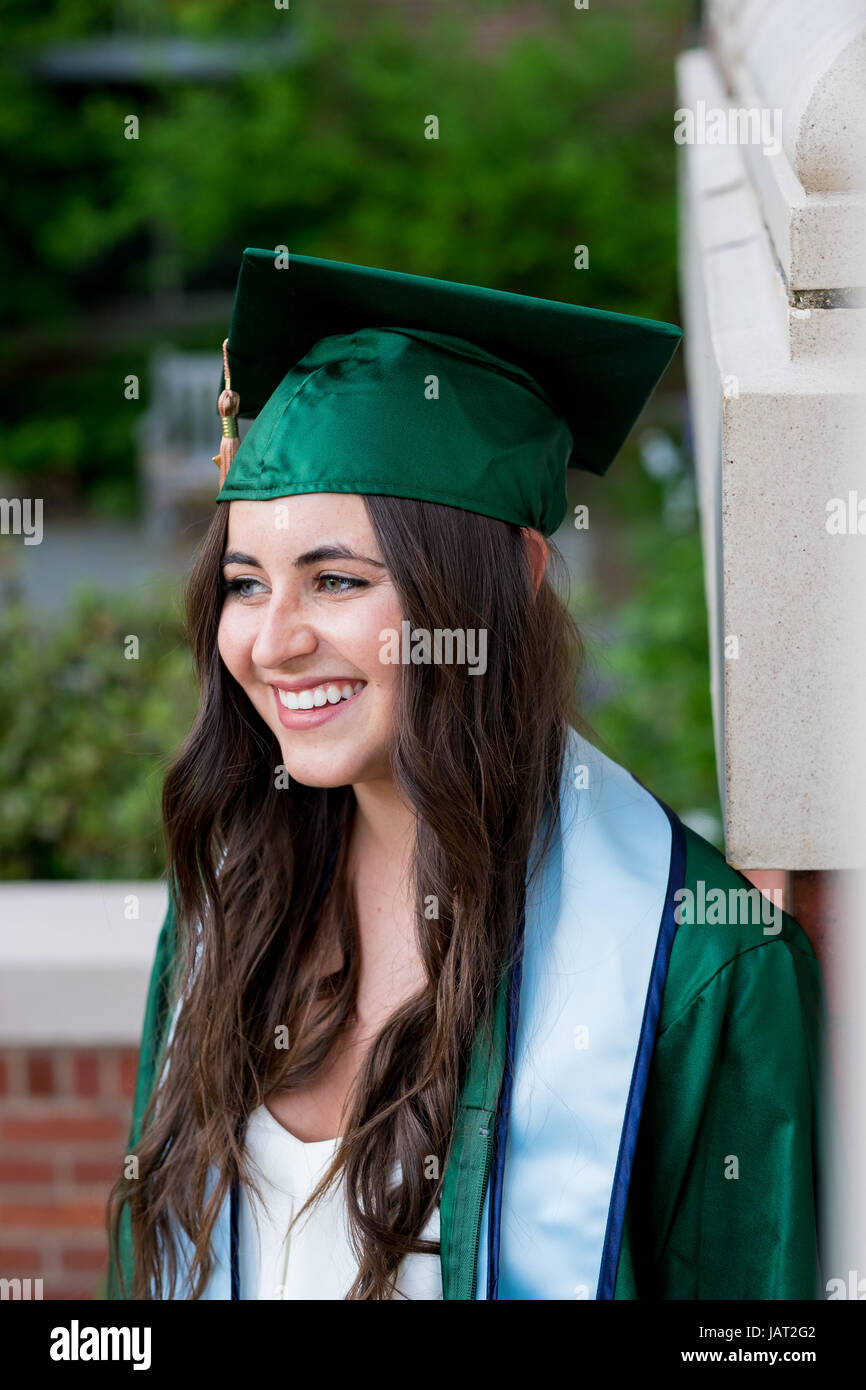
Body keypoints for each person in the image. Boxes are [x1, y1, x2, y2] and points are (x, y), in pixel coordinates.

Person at [107, 249, 828, 1301]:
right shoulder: (228, 902)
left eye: (338, 580)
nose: (270, 642)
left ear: (511, 580)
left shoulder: (698, 970)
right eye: (245, 583)